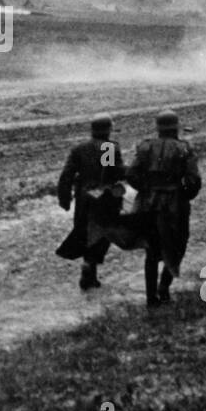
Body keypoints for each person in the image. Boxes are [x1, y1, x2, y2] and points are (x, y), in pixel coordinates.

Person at [127, 110, 201, 307]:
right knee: (178, 244)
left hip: (148, 203)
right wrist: (185, 195)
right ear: (176, 127)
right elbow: (194, 180)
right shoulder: (184, 148)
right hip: (175, 203)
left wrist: (145, 189)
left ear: (158, 128)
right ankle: (164, 288)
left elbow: (131, 174)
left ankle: (151, 297)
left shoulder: (145, 147)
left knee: (152, 250)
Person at [57, 113, 126, 290]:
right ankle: (89, 270)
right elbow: (110, 173)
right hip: (105, 200)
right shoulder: (108, 148)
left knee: (86, 233)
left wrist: (64, 199)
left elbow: (66, 176)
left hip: (84, 199)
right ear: (108, 130)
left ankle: (90, 272)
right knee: (103, 234)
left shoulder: (79, 149)